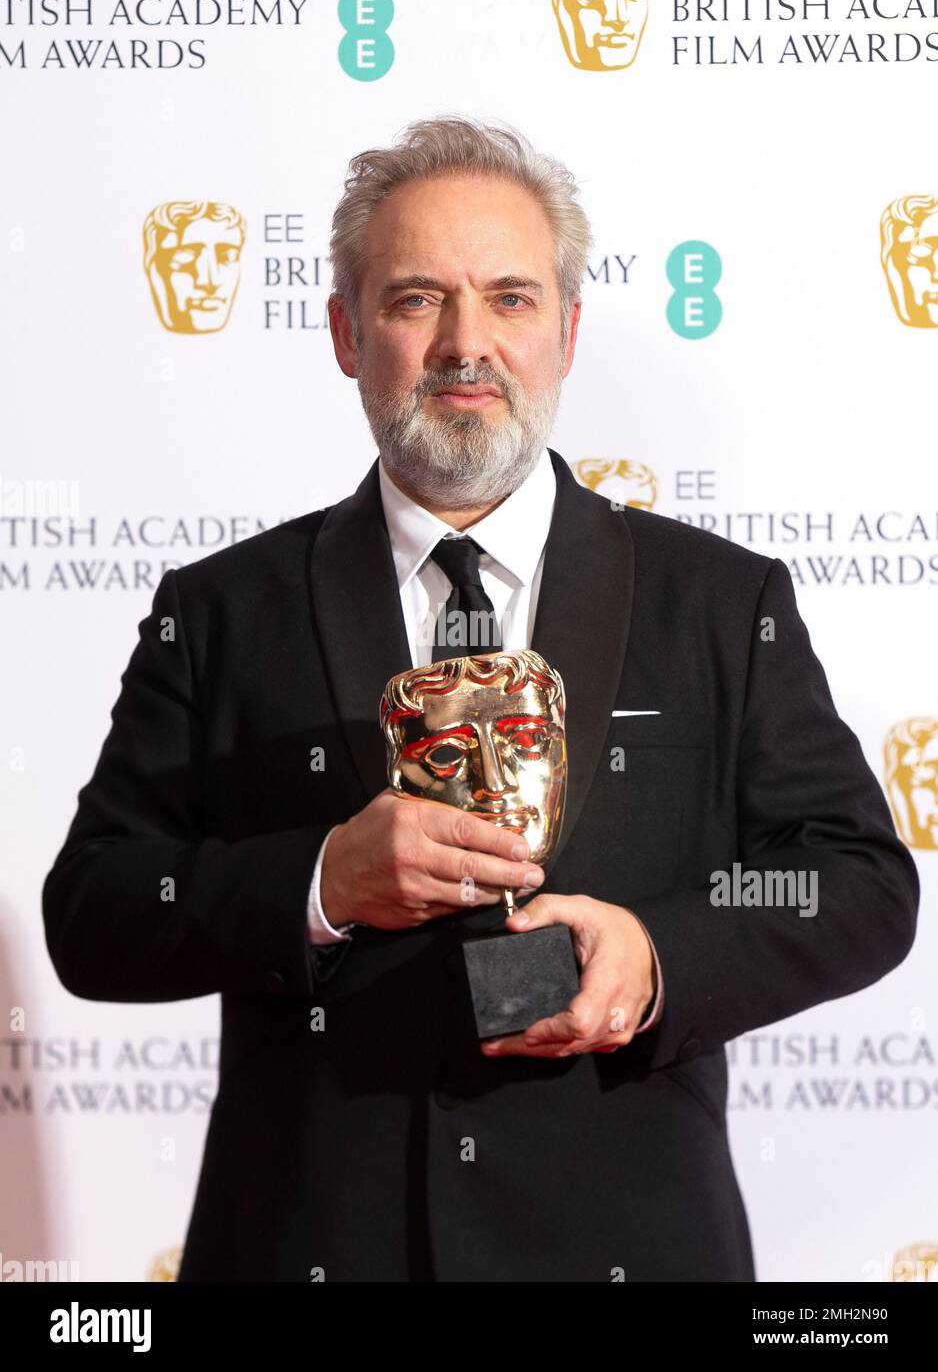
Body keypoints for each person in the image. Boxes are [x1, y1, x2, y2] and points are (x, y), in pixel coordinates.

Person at [43, 116, 919, 1282]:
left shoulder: (717, 601)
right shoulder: (221, 610)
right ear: (345, 333)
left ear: (565, 331)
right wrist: (320, 882)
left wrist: (656, 955)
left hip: (623, 1250)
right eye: (416, 299)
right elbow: (95, 912)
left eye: (509, 298)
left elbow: (856, 884)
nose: (466, 344)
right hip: (315, 1246)